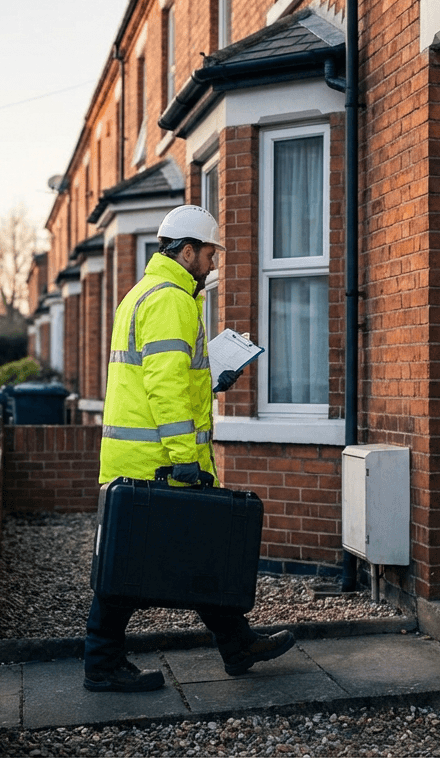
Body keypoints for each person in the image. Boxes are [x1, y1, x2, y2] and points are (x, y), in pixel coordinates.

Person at [84, 204, 295, 693]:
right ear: (187, 251)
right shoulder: (171, 301)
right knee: (126, 573)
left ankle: (236, 643)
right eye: (208, 253)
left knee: (203, 552)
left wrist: (211, 380)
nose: (213, 264)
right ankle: (101, 666)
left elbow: (171, 378)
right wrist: (183, 458)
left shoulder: (145, 294)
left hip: (140, 459)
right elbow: (164, 387)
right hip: (157, 462)